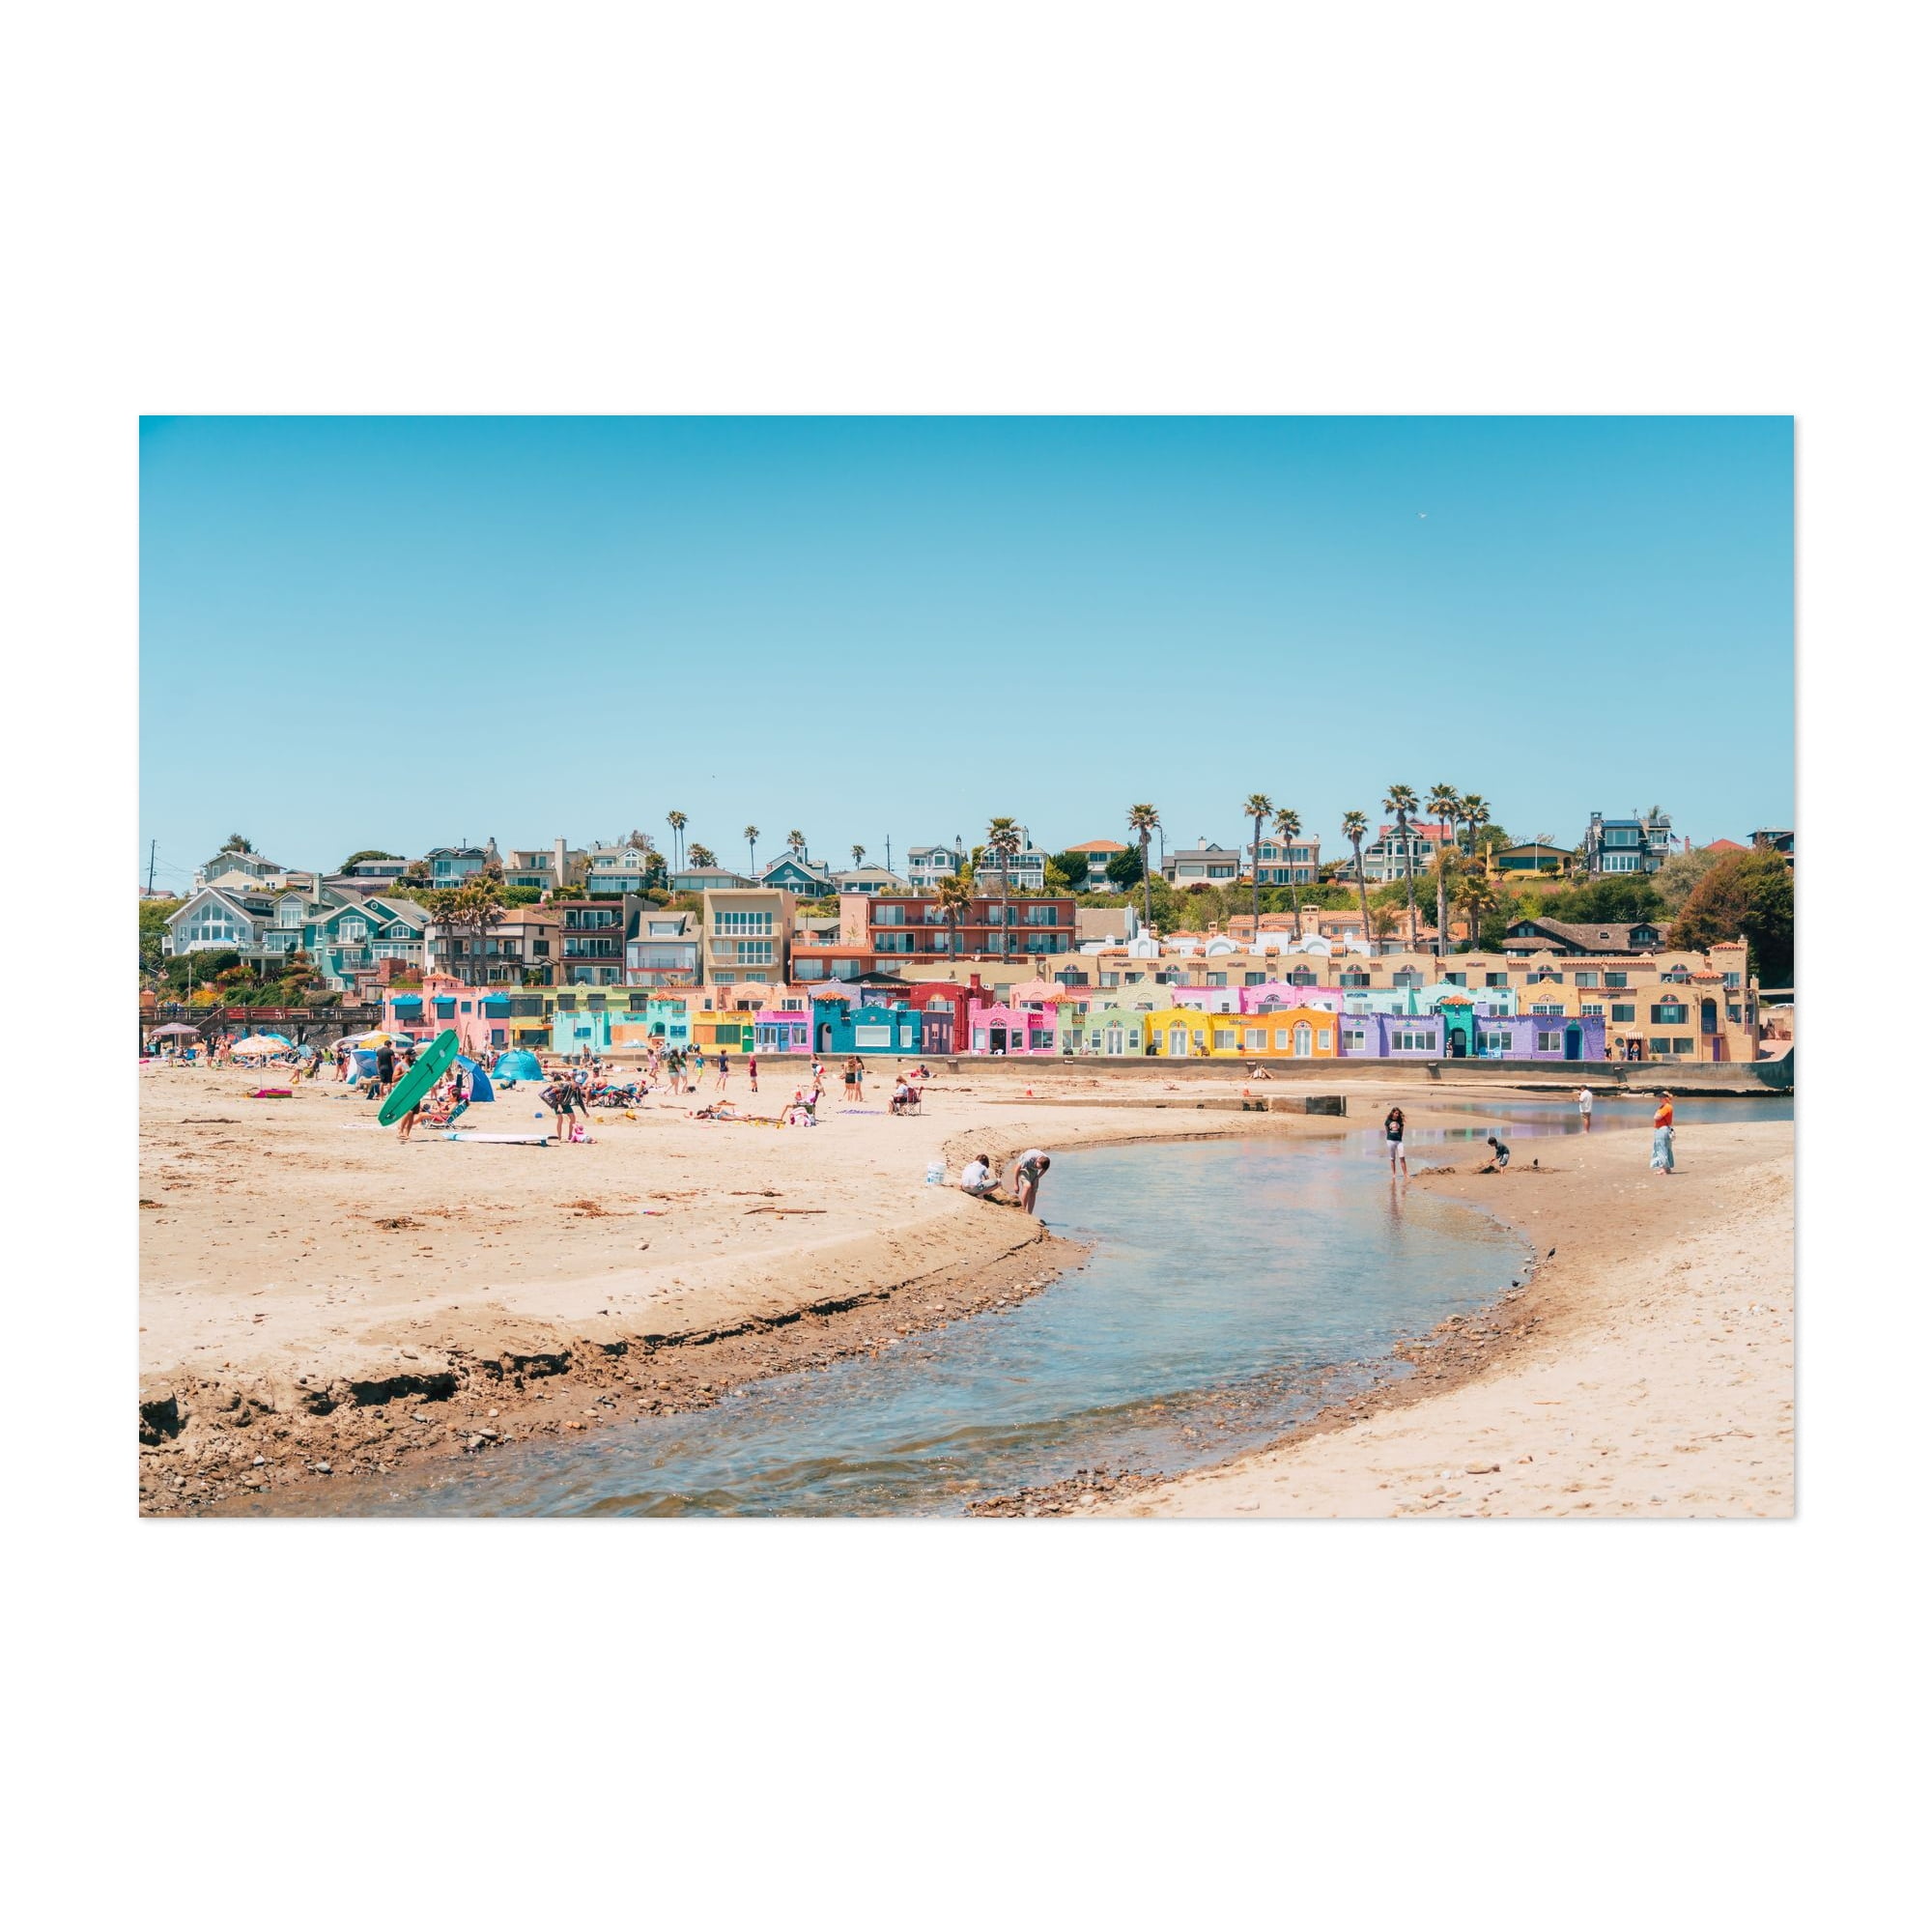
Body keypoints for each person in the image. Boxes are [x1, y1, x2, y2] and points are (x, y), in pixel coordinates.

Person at [1012, 1148, 1051, 1214]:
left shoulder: (1046, 1161)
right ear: (1037, 1161)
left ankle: (1029, 1213)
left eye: (1040, 1168)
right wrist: (1016, 1184)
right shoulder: (1028, 1159)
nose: (1039, 1169)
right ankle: (1022, 1210)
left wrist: (1037, 1178)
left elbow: (1045, 1169)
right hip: (1024, 1168)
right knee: (1027, 1186)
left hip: (1033, 1170)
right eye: (1038, 1167)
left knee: (1033, 1190)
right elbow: (1017, 1169)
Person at [1651, 1092, 1676, 1176]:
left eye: (1661, 1098)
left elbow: (1656, 1117)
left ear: (1666, 1098)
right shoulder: (1665, 1106)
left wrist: (1656, 1113)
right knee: (1666, 1148)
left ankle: (1663, 1169)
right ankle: (1667, 1168)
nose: (1660, 1099)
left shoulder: (1666, 1107)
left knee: (1661, 1148)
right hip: (1664, 1129)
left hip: (1662, 1129)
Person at [1383, 1105, 1407, 1176]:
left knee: (1402, 1157)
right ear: (1393, 1113)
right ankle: (1394, 1174)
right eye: (1396, 1113)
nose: (1397, 1115)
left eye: (1398, 1113)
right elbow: (1387, 1131)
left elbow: (1401, 1132)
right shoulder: (1388, 1121)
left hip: (1399, 1141)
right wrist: (1390, 1137)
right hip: (1390, 1141)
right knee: (1392, 1158)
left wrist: (1399, 1138)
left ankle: (1405, 1174)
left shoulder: (1400, 1121)